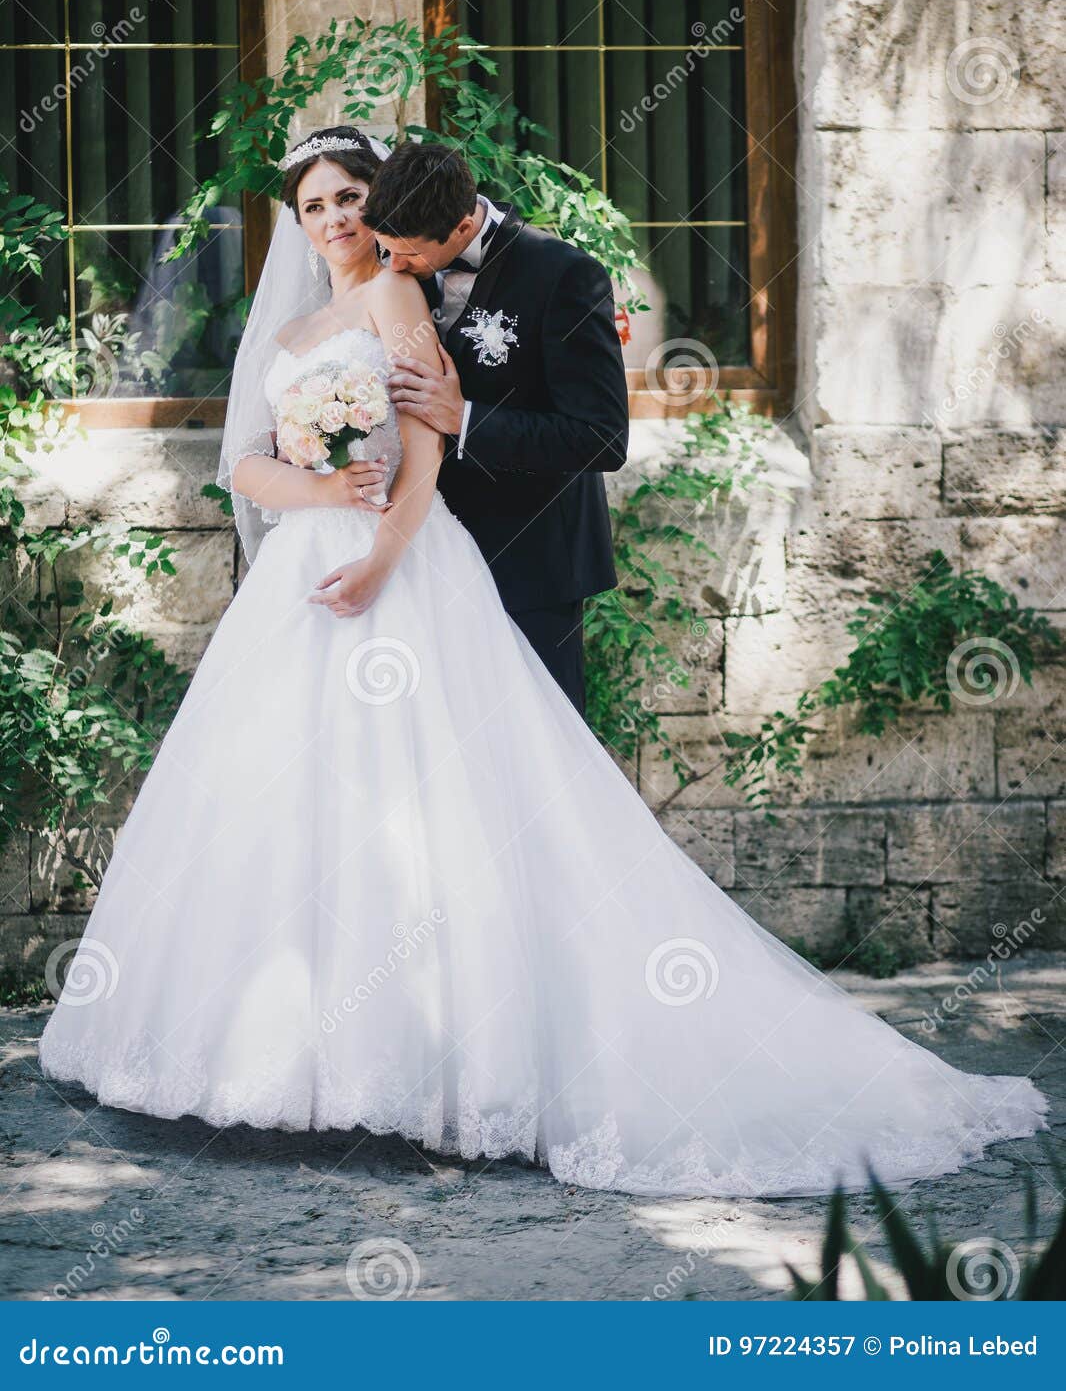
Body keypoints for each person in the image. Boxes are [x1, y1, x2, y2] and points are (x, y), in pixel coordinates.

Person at [37, 128, 1049, 1199]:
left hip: (479, 570)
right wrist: (320, 492)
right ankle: (323, 1056)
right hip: (346, 571)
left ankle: (531, 1048)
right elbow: (257, 455)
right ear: (297, 222)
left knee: (524, 815)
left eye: (359, 203)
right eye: (321, 206)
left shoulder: (534, 276)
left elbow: (579, 432)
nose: (347, 224)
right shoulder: (299, 324)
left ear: (412, 214)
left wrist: (394, 529)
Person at [361, 143, 630, 716]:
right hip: (429, 554)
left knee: (541, 749)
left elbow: (601, 439)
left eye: (406, 257)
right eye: (385, 250)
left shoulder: (565, 277)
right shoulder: (393, 261)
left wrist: (464, 420)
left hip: (531, 562)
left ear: (462, 226)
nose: (391, 268)